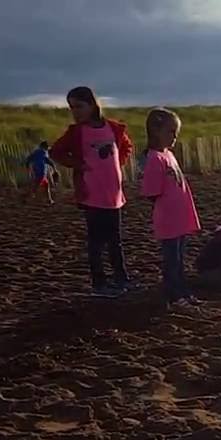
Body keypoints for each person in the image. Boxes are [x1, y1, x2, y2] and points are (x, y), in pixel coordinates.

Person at [49, 86, 136, 298]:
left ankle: (121, 278)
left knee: (116, 239)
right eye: (71, 107)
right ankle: (99, 283)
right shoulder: (76, 132)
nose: (75, 111)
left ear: (92, 104)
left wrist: (117, 164)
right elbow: (56, 152)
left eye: (79, 106)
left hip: (113, 193)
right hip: (91, 194)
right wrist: (78, 164)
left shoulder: (113, 128)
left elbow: (126, 147)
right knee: (96, 241)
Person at [140, 107, 203, 308]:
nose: (174, 137)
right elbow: (151, 191)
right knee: (172, 260)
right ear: (156, 131)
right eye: (170, 132)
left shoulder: (168, 155)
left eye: (176, 133)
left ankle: (182, 290)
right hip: (169, 218)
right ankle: (174, 294)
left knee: (179, 258)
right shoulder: (154, 158)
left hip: (179, 217)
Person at [24, 140, 57, 205]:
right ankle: (28, 199)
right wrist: (54, 168)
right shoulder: (44, 153)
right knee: (35, 187)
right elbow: (48, 161)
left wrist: (27, 167)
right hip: (41, 172)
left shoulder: (35, 152)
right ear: (45, 147)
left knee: (46, 185)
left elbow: (28, 159)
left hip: (37, 171)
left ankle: (49, 200)